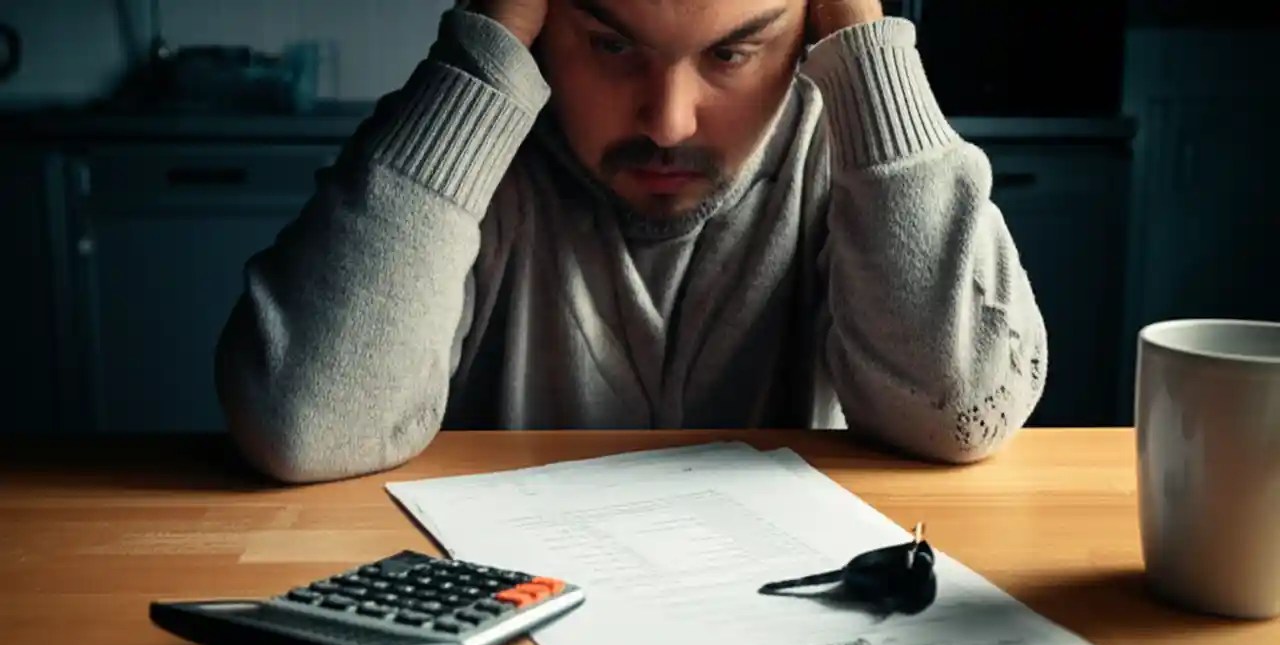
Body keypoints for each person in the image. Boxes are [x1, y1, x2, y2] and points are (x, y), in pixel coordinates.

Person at [214, 0, 1048, 483]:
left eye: (733, 52)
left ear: (806, 26)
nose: (668, 123)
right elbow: (302, 425)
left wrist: (867, 46)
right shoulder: (469, 154)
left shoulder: (843, 152)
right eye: (612, 45)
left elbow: (964, 414)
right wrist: (477, 63)